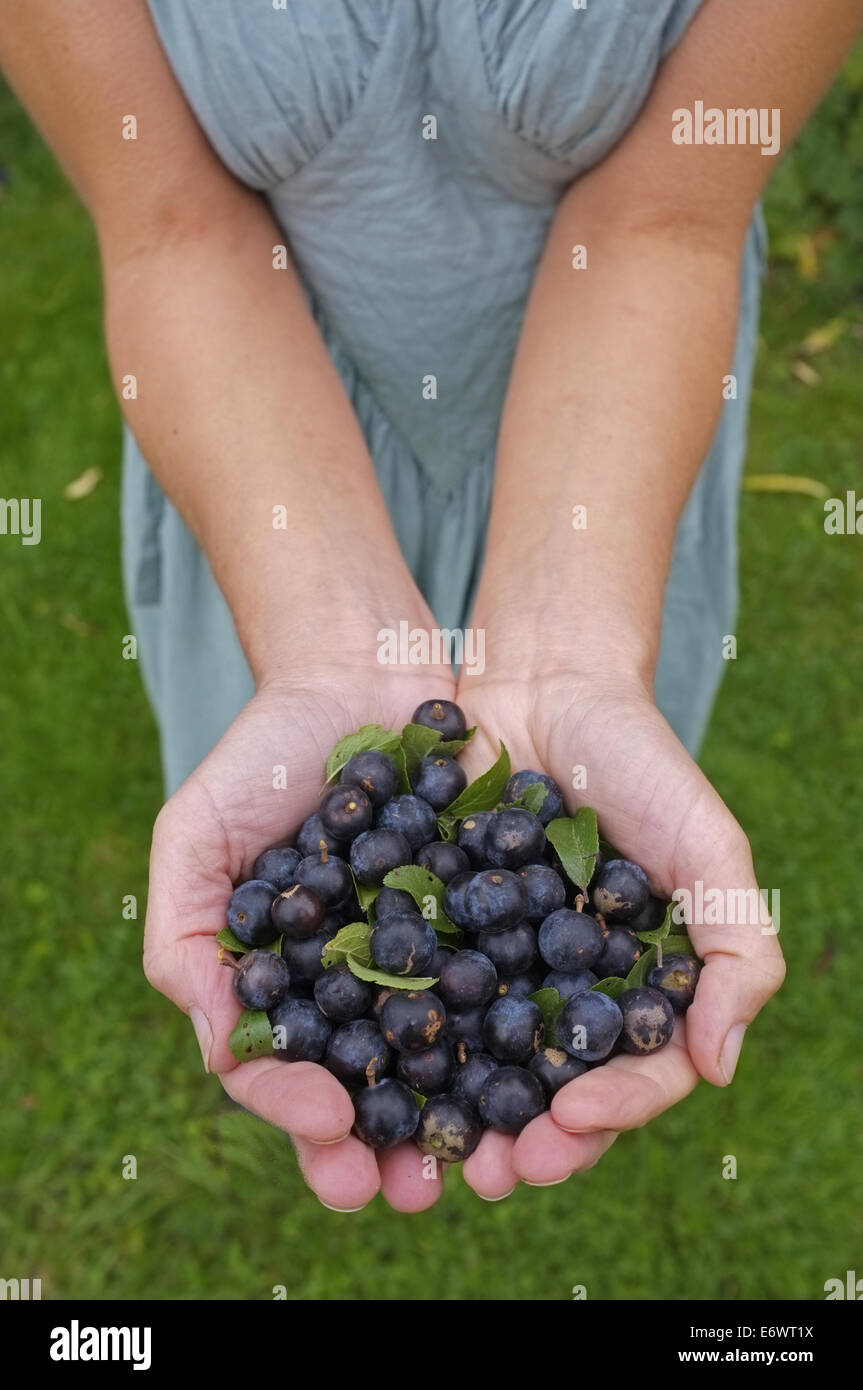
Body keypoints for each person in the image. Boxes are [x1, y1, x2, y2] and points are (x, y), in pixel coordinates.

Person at [2, 0, 858, 1212]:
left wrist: (568, 659)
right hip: (261, 456)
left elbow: (662, 222)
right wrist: (322, 647)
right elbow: (170, 228)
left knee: (531, 820)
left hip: (604, 445)